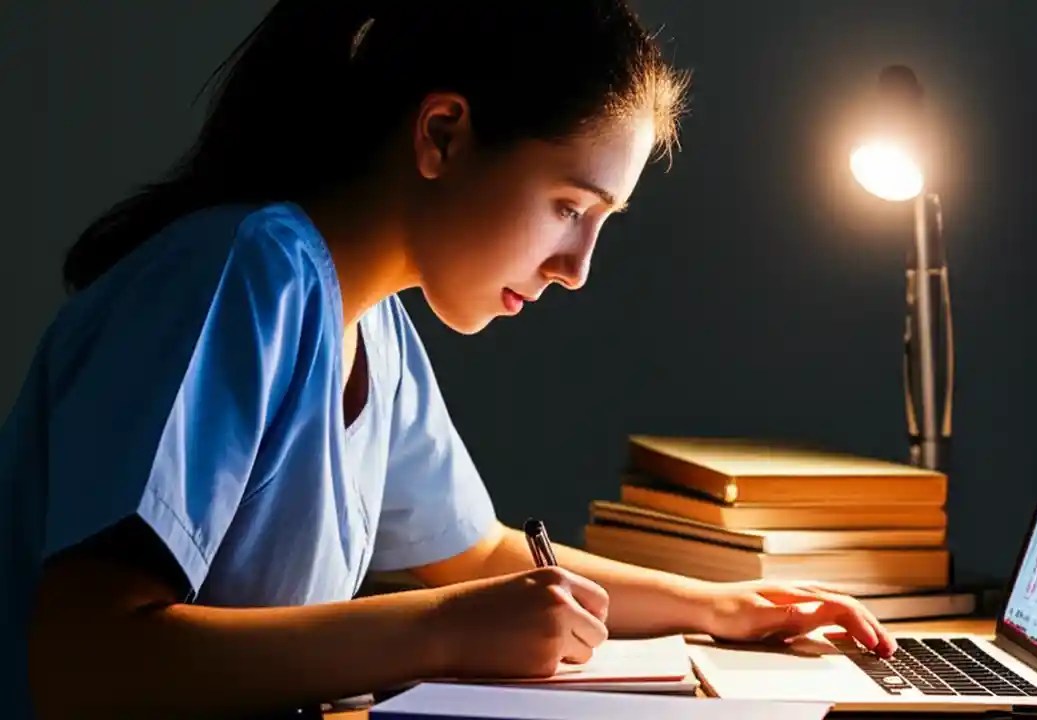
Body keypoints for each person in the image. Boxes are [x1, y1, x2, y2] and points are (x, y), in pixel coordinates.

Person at [2, 1, 897, 717]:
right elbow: (85, 662)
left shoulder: (376, 328)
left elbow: (480, 557)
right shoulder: (249, 274)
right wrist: (439, 630)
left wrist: (720, 607)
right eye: (568, 207)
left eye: (600, 223)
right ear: (441, 135)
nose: (577, 269)